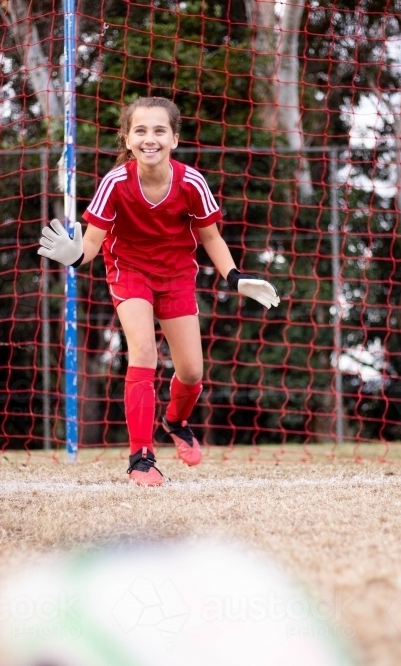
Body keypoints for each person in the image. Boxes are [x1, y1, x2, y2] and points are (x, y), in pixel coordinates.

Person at [38, 96, 279, 486]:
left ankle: (176, 421)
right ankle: (140, 456)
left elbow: (211, 237)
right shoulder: (115, 183)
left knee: (192, 371)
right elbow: (91, 248)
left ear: (175, 138)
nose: (150, 138)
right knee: (144, 352)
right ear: (128, 139)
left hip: (177, 276)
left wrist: (235, 277)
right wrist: (73, 257)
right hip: (130, 272)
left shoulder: (191, 182)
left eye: (159, 130)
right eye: (141, 130)